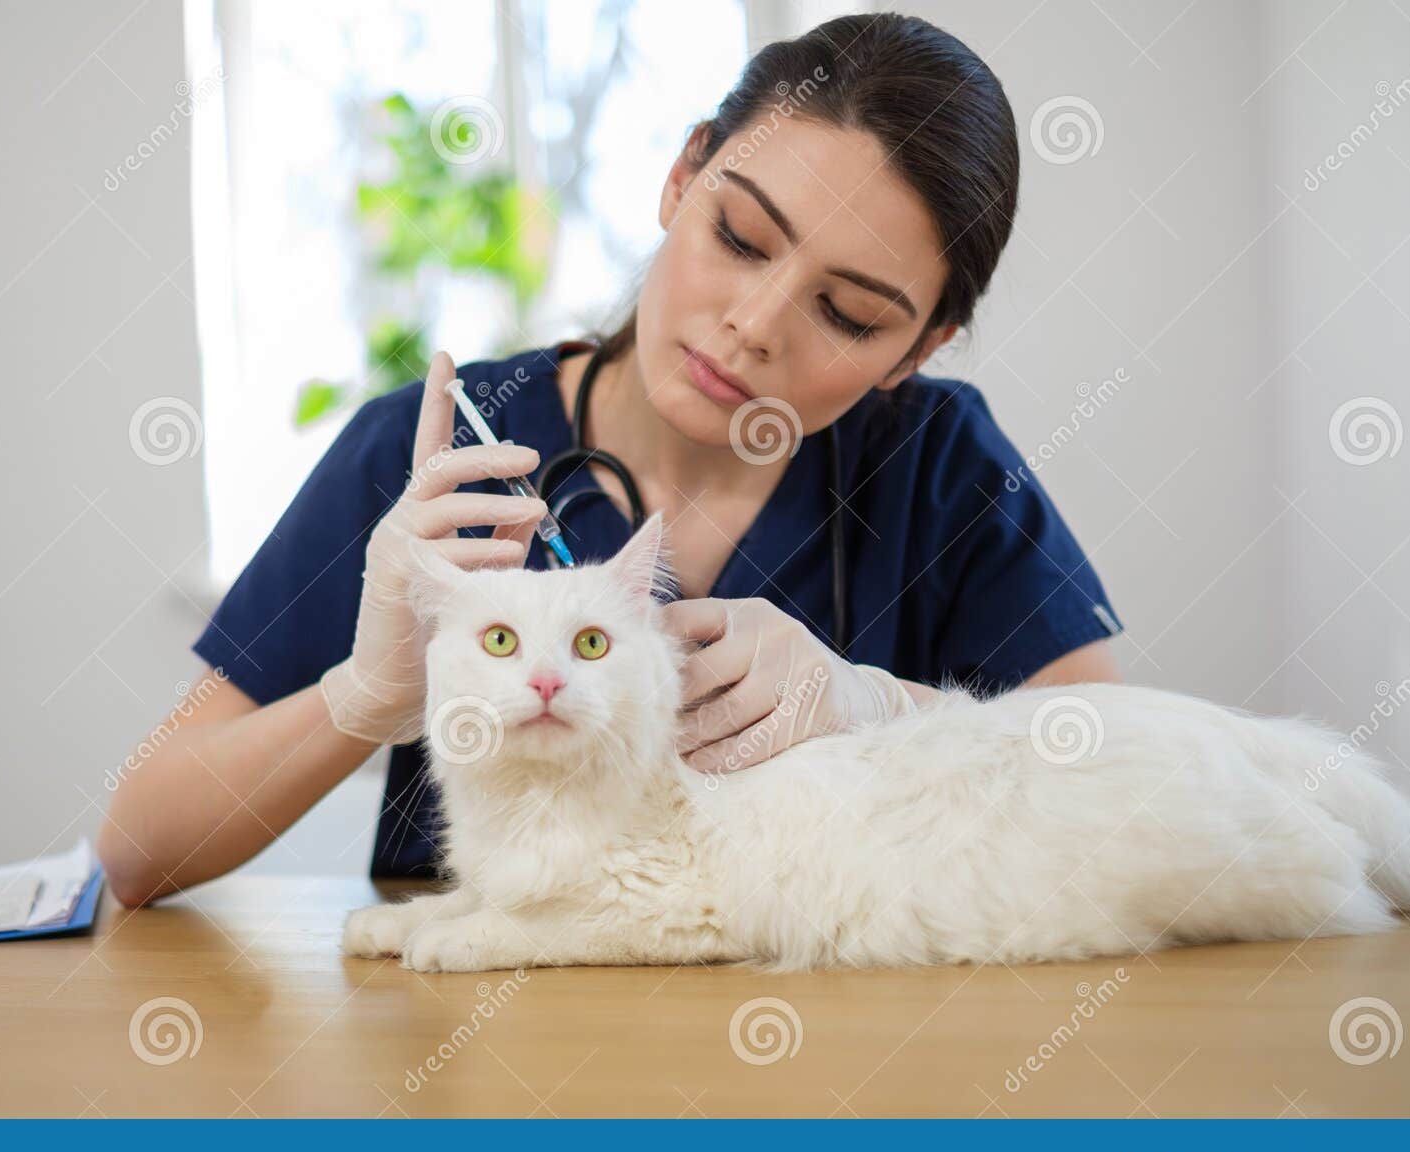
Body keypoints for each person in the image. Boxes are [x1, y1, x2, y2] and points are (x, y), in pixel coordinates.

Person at [99, 12, 1125, 909]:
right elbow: (137, 851)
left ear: (917, 350)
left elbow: (1116, 776)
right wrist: (361, 697)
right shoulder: (446, 451)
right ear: (681, 177)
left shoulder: (935, 466)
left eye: (846, 314)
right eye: (739, 235)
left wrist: (878, 706)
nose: (756, 324)